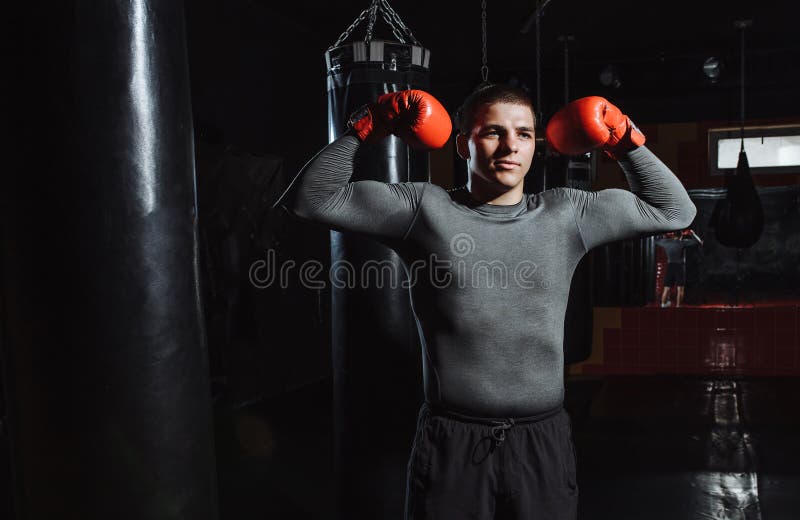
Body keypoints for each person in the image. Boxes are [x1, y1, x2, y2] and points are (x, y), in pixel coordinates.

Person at [287, 85, 696, 519]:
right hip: (452, 444)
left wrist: (623, 137)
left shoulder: (567, 214)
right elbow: (311, 200)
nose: (510, 146)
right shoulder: (424, 210)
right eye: (493, 133)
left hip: (543, 443)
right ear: (463, 144)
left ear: (536, 147)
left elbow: (675, 211)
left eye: (523, 134)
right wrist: (368, 125)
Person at [655, 229, 703, 307]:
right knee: (680, 288)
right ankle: (678, 307)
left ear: (673, 235)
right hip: (680, 267)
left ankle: (663, 305)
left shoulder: (666, 242)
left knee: (667, 287)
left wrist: (666, 235)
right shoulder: (682, 243)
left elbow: (656, 241)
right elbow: (699, 242)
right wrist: (692, 233)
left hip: (670, 266)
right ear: (682, 235)